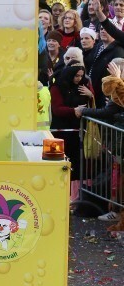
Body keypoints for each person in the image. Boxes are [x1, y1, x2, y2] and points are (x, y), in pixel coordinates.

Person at [50, 65, 94, 199]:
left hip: (78, 132)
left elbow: (92, 104)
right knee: (60, 162)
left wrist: (91, 95)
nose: (79, 78)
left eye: (81, 76)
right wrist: (74, 111)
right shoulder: (57, 88)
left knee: (77, 162)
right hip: (61, 132)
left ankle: (74, 196)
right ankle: (57, 193)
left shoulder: (83, 86)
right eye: (76, 76)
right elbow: (57, 109)